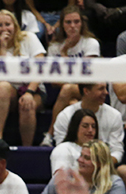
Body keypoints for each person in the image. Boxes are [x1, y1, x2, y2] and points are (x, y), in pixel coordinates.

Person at [40, 6, 102, 147]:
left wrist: (64, 55)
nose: (73, 26)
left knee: (68, 89)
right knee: (71, 101)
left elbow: (85, 77)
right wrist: (63, 50)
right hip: (65, 92)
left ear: (82, 23)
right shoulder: (54, 46)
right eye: (68, 22)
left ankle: (49, 134)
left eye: (76, 21)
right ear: (62, 24)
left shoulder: (90, 43)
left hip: (89, 89)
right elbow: (54, 80)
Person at [0, 10, 46, 146]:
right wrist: (3, 48)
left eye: (7, 24)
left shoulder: (29, 38)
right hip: (10, 92)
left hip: (33, 89)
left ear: (15, 26)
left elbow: (40, 66)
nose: (4, 28)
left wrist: (30, 92)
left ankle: (27, 147)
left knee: (27, 104)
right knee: (2, 86)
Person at [53, 83, 124, 165]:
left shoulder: (114, 115)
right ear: (86, 91)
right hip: (72, 166)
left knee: (125, 172)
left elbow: (116, 150)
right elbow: (61, 149)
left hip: (104, 167)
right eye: (101, 89)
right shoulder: (65, 116)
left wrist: (100, 165)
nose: (106, 92)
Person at [50, 109, 99, 174]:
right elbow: (60, 179)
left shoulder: (99, 150)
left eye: (93, 127)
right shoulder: (63, 149)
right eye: (85, 126)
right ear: (75, 128)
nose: (90, 130)